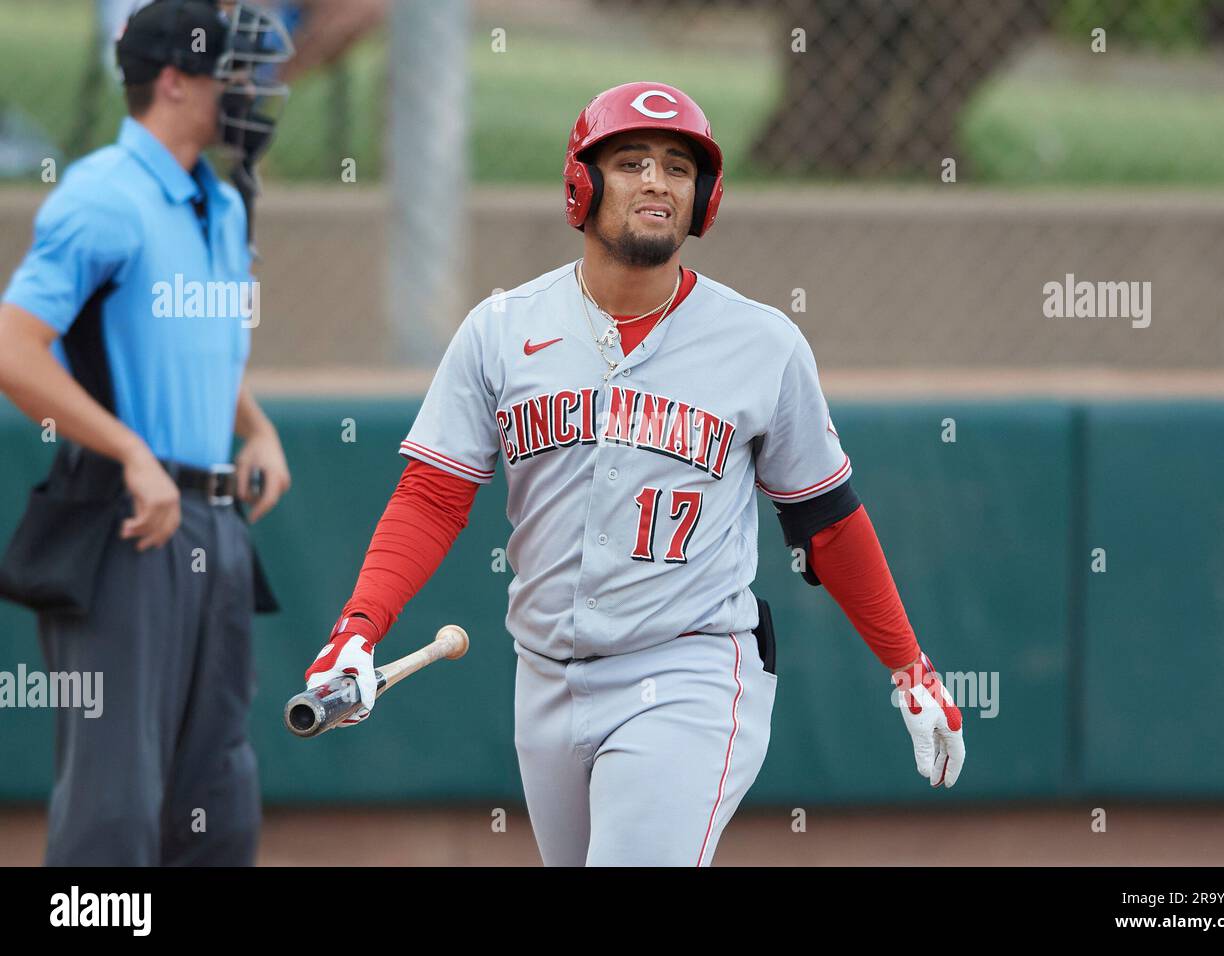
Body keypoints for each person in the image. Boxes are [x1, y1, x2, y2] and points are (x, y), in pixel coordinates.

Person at [303, 81, 966, 867]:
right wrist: (357, 630)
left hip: (688, 665)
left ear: (704, 198)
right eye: (633, 161)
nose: (658, 180)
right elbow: (433, 497)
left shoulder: (761, 344)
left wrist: (908, 663)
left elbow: (828, 521)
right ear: (582, 185)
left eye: (679, 167)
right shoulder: (503, 330)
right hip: (545, 676)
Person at [0, 0, 294, 866]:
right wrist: (129, 452)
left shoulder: (222, 198)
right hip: (128, 523)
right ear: (173, 81)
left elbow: (199, 345)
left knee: (218, 798)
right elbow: (15, 349)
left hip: (211, 526)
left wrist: (257, 426)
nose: (251, 92)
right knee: (114, 809)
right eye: (230, 73)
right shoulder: (103, 195)